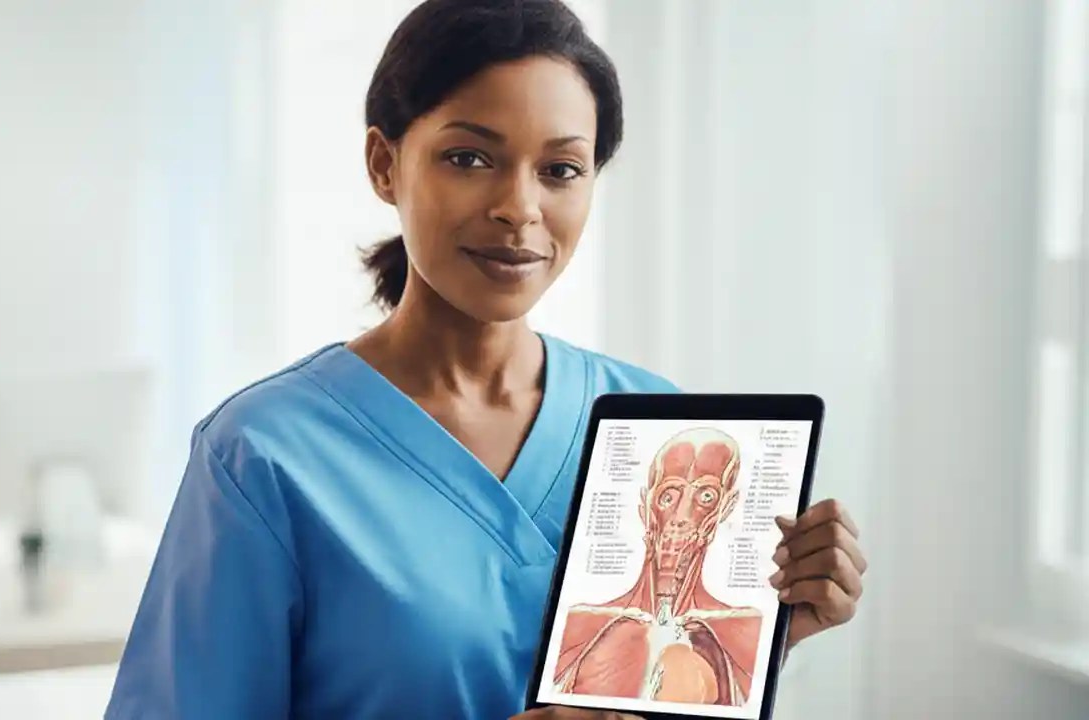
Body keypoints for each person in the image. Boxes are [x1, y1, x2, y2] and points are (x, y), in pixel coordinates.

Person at [104, 1, 867, 718]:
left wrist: (767, 634)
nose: (519, 208)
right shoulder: (265, 454)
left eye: (560, 169)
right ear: (384, 164)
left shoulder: (657, 423)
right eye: (470, 158)